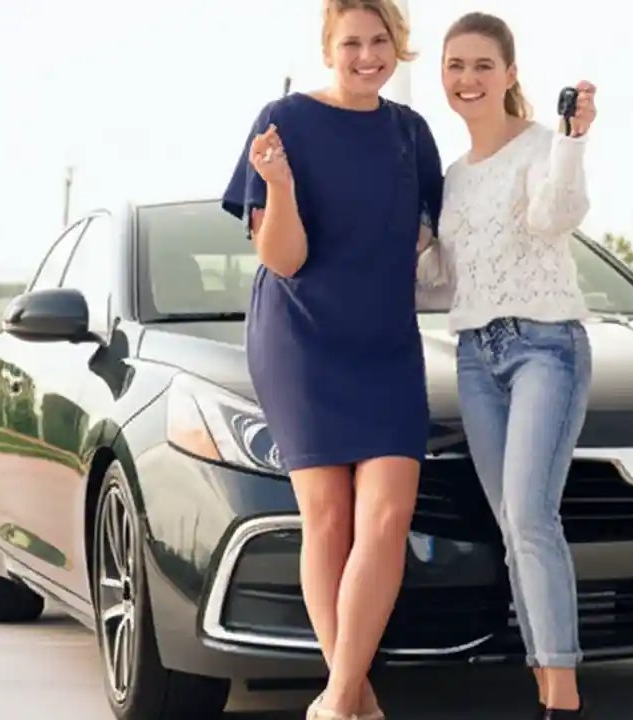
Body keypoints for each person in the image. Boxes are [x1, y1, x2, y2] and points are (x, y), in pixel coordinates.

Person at [220, 1, 444, 718]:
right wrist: (280, 186)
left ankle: (341, 700)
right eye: (352, 42)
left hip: (384, 344)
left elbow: (421, 243)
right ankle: (352, 700)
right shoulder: (283, 123)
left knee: (388, 517)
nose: (367, 55)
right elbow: (283, 259)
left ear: (398, 47)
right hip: (302, 339)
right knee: (329, 520)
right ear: (328, 47)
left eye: (381, 41)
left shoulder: (412, 133)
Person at [422, 11, 598, 720]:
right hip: (474, 357)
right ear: (443, 75)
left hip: (545, 348)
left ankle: (563, 701)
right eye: (456, 66)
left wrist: (573, 141)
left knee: (530, 516)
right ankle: (543, 686)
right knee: (511, 525)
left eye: (482, 66)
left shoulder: (540, 146)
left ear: (510, 74)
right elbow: (438, 284)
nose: (468, 79)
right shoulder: (449, 178)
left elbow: (557, 215)